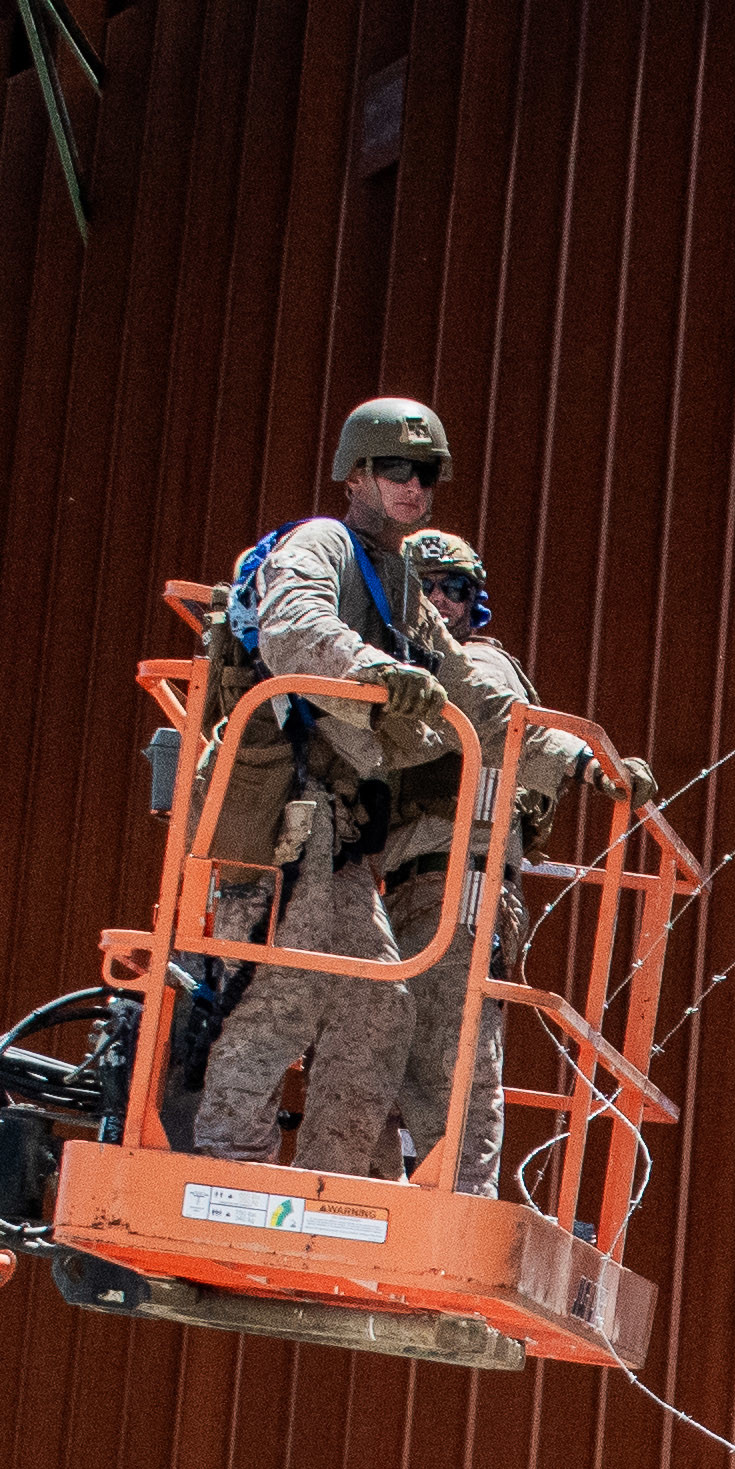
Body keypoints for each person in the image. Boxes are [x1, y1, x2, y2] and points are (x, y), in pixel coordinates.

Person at [181, 396, 473, 1164]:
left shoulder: (398, 577)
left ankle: (330, 1187)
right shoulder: (321, 545)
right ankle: (226, 1175)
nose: (415, 488)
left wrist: (567, 751)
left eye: (429, 474)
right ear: (356, 475)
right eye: (398, 470)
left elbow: (464, 682)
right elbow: (293, 628)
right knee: (279, 996)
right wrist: (371, 666)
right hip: (282, 813)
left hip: (335, 833)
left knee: (380, 1006)